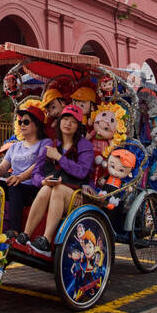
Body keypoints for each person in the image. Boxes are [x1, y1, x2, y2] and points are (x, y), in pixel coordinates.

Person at [15, 105, 95, 254]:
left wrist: (59, 157)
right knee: (46, 188)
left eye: (73, 121)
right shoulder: (51, 144)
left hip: (77, 195)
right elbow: (36, 174)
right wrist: (43, 182)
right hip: (52, 191)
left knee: (57, 188)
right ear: (59, 122)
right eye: (65, 119)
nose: (68, 123)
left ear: (78, 126)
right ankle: (25, 235)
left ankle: (46, 240)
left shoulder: (85, 145)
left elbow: (82, 172)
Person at [0, 106, 51, 231]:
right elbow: (4, 166)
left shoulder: (45, 143)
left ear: (37, 125)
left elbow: (38, 165)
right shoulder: (14, 146)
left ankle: (14, 231)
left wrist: (21, 177)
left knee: (15, 187)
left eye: (26, 122)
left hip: (33, 187)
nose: (22, 125)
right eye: (20, 122)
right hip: (14, 183)